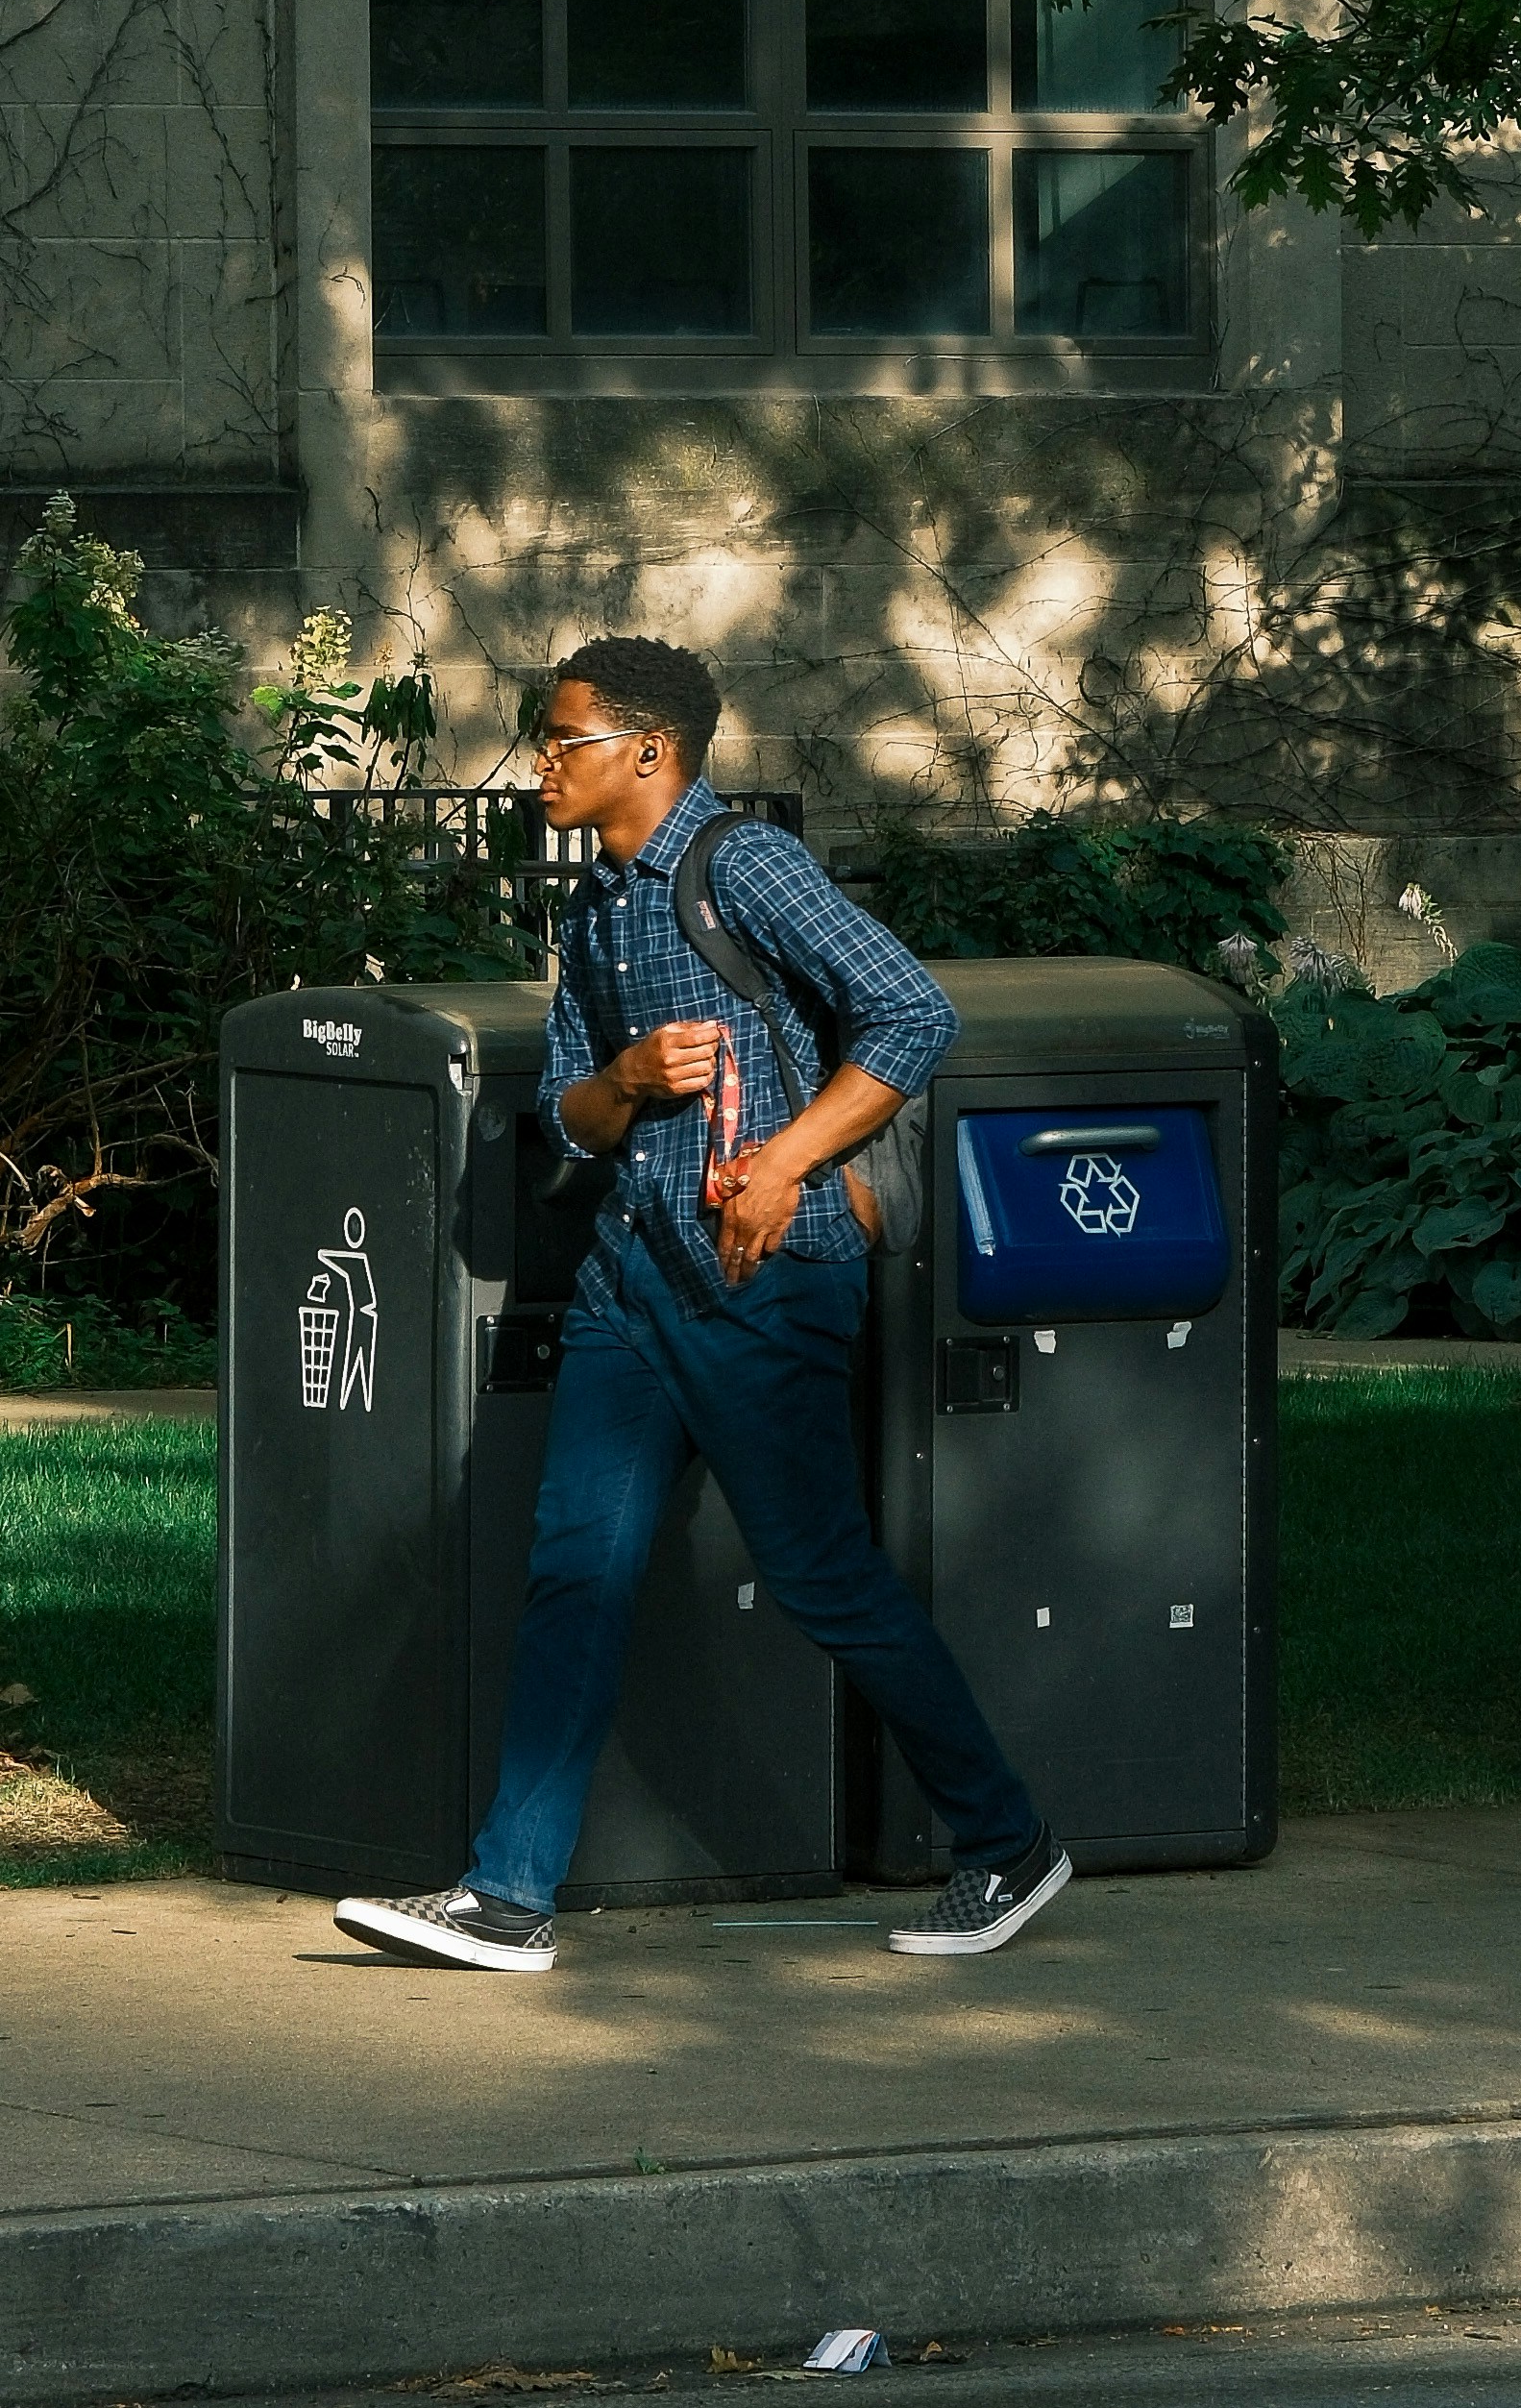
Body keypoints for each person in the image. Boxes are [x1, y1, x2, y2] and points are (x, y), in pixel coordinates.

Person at [334, 636, 1069, 1974]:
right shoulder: (595, 906)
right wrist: (623, 1076)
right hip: (630, 1284)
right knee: (574, 1572)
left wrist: (783, 1164)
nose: (539, 766)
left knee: (823, 1577)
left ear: (649, 752)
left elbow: (912, 1015)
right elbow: (568, 1114)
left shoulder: (744, 868)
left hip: (760, 1281)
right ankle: (507, 1897)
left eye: (564, 742)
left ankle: (1006, 1842)